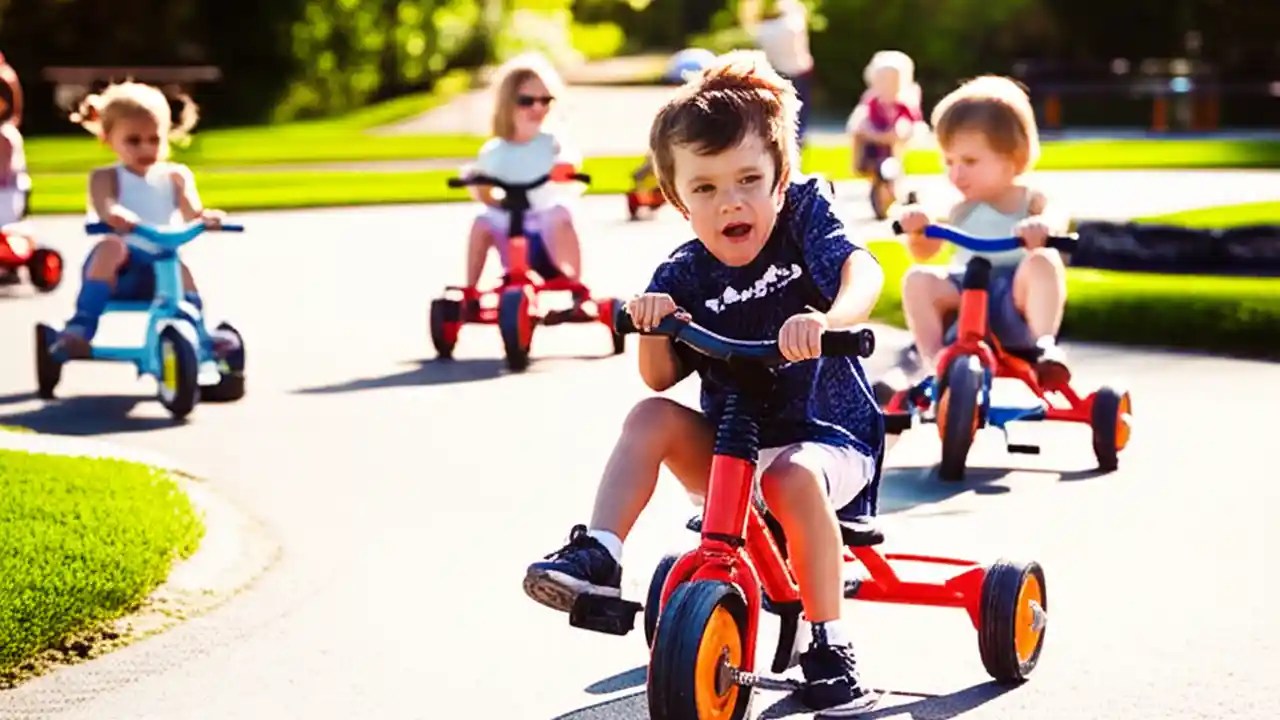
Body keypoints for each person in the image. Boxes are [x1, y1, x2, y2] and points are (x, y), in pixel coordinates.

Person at [522, 50, 886, 716]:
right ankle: (600, 554)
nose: (732, 202)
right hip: (734, 448)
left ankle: (829, 645)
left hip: (829, 436)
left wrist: (826, 318)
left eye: (750, 179)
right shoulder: (684, 269)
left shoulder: (804, 221)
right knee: (648, 416)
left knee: (790, 479)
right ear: (678, 200)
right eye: (708, 188)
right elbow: (658, 375)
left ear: (780, 182)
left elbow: (864, 272)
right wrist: (655, 321)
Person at [893, 75, 1071, 389]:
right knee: (918, 279)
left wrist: (1043, 226)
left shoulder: (1030, 199)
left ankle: (1045, 347)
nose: (956, 173)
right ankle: (934, 363)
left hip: (1015, 297)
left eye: (970, 161)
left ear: (1011, 158)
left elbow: (1057, 215)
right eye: (949, 161)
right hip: (967, 293)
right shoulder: (957, 207)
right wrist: (918, 228)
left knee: (1042, 262)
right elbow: (925, 250)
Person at [49, 81, 230, 358]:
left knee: (181, 268)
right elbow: (104, 206)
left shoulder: (176, 176)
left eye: (154, 139)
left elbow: (192, 212)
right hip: (119, 271)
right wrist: (115, 214)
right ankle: (80, 327)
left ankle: (201, 336)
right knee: (112, 246)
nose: (146, 148)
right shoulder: (105, 178)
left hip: (161, 267)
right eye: (133, 141)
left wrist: (207, 218)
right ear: (108, 138)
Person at [462, 52, 585, 291]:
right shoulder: (495, 151)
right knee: (481, 220)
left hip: (545, 232)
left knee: (560, 212)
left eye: (545, 100)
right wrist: (479, 186)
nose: (537, 107)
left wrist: (565, 170)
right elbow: (487, 195)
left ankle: (576, 285)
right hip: (511, 230)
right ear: (508, 104)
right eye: (527, 101)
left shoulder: (551, 144)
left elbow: (569, 166)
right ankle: (470, 293)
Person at [740, 0, 815, 149]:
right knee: (800, 115)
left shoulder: (763, 30)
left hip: (779, 73)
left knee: (780, 114)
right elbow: (799, 10)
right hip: (799, 72)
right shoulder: (793, 23)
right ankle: (797, 142)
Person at [846, 50, 922, 180]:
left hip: (892, 146)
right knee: (862, 142)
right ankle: (865, 171)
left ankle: (893, 180)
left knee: (894, 158)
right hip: (873, 145)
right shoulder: (871, 103)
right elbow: (858, 121)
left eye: (893, 82)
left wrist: (900, 131)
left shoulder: (902, 106)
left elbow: (908, 126)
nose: (887, 86)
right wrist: (868, 131)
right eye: (883, 81)